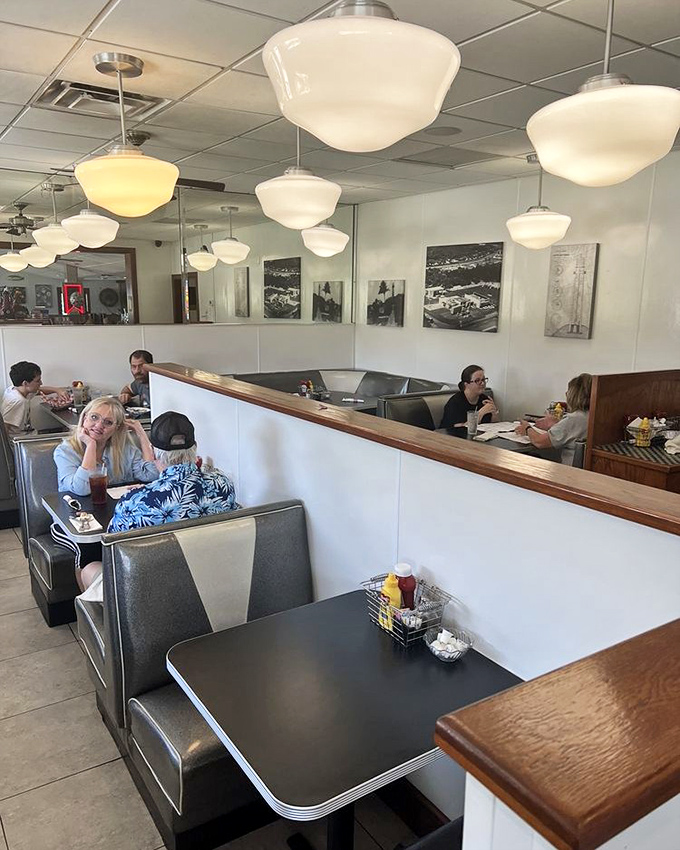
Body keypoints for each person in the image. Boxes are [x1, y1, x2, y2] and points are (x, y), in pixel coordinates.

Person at [79, 411, 240, 594]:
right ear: (195, 447)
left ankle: (107, 621)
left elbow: (113, 554)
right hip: (212, 581)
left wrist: (143, 492)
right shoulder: (223, 483)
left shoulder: (134, 503)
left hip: (152, 593)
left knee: (89, 569)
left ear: (154, 452)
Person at [52, 396, 160, 588]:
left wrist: (141, 434)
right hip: (72, 524)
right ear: (84, 418)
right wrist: (91, 446)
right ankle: (90, 612)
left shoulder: (123, 449)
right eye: (94, 417)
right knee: (88, 551)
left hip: (112, 520)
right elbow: (81, 489)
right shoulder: (65, 451)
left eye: (108, 422)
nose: (98, 425)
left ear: (116, 429)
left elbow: (151, 474)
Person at [516, 373, 592, 465]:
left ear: (573, 395)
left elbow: (539, 441)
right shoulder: (592, 416)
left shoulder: (574, 418)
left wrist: (527, 428)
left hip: (569, 472)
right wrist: (557, 423)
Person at [1, 361, 67, 435]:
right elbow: (5, 427)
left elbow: (39, 391)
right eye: (38, 381)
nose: (41, 383)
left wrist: (57, 390)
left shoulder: (15, 389)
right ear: (25, 383)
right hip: (21, 440)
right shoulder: (18, 401)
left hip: (29, 434)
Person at [441, 364, 499, 435]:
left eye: (483, 379)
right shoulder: (455, 402)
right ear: (466, 384)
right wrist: (480, 413)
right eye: (477, 380)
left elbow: (493, 425)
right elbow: (461, 430)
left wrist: (494, 413)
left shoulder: (484, 399)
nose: (483, 383)